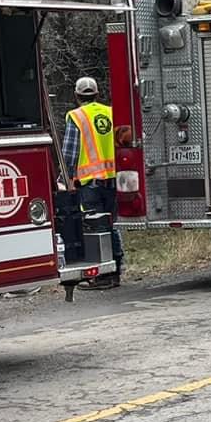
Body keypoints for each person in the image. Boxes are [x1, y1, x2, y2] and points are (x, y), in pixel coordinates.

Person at [62, 75, 123, 282]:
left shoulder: (76, 116)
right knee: (113, 224)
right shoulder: (111, 112)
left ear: (77, 96)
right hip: (114, 180)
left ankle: (104, 275)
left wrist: (65, 178)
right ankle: (117, 269)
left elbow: (69, 153)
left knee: (96, 228)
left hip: (90, 183)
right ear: (97, 94)